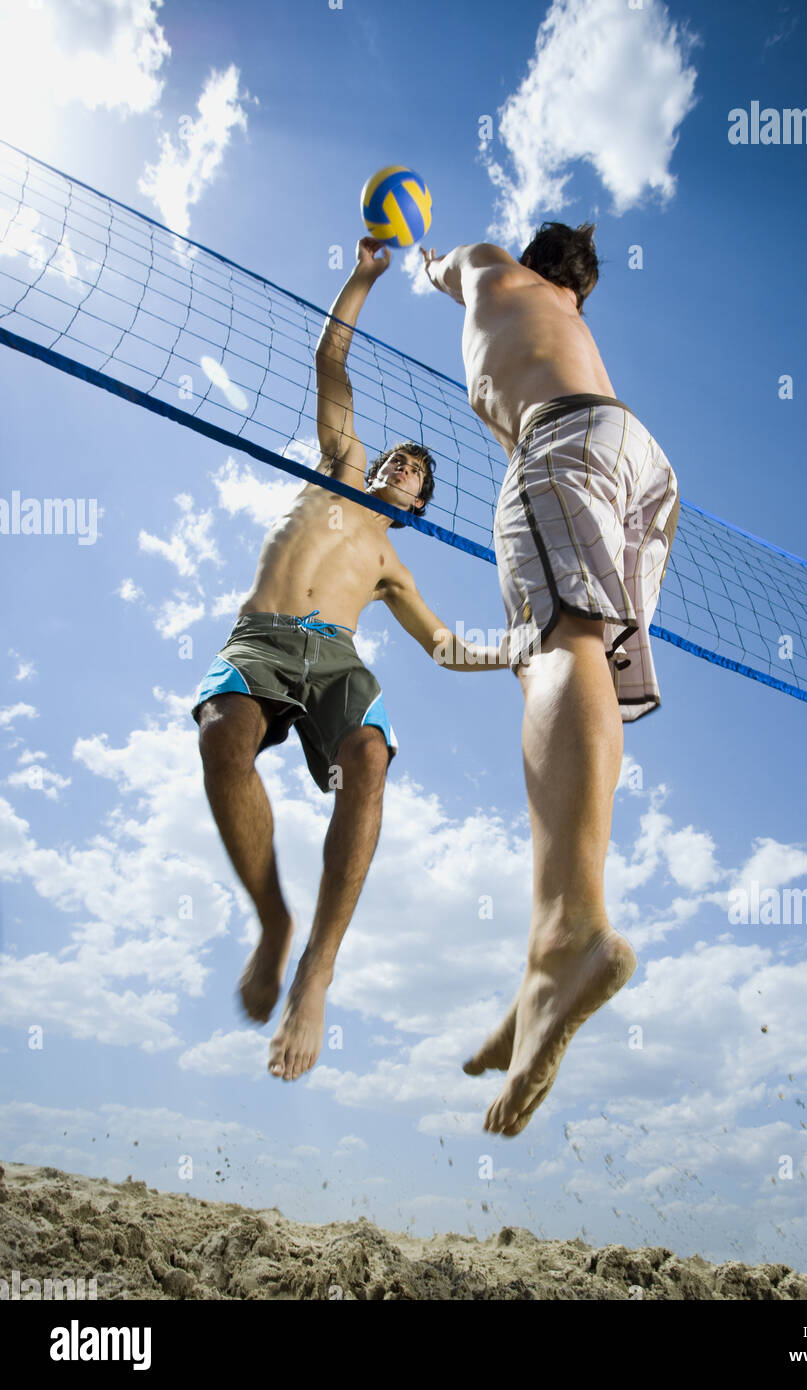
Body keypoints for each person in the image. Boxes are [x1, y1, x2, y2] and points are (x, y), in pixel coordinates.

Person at [193, 237, 505, 1083]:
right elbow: (331, 355)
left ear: (417, 508)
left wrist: (517, 653)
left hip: (335, 658)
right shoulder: (341, 468)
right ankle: (273, 923)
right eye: (400, 458)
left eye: (415, 474)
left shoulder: (392, 564)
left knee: (368, 759)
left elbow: (444, 646)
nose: (401, 468)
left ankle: (317, 974)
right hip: (262, 635)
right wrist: (365, 275)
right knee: (222, 741)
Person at [422, 222, 679, 1137]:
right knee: (572, 658)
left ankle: (569, 935)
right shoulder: (573, 319)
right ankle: (547, 951)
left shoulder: (495, 267)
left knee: (555, 645)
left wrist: (416, 259)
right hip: (641, 466)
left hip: (564, 439)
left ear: (536, 263)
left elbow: (445, 263)